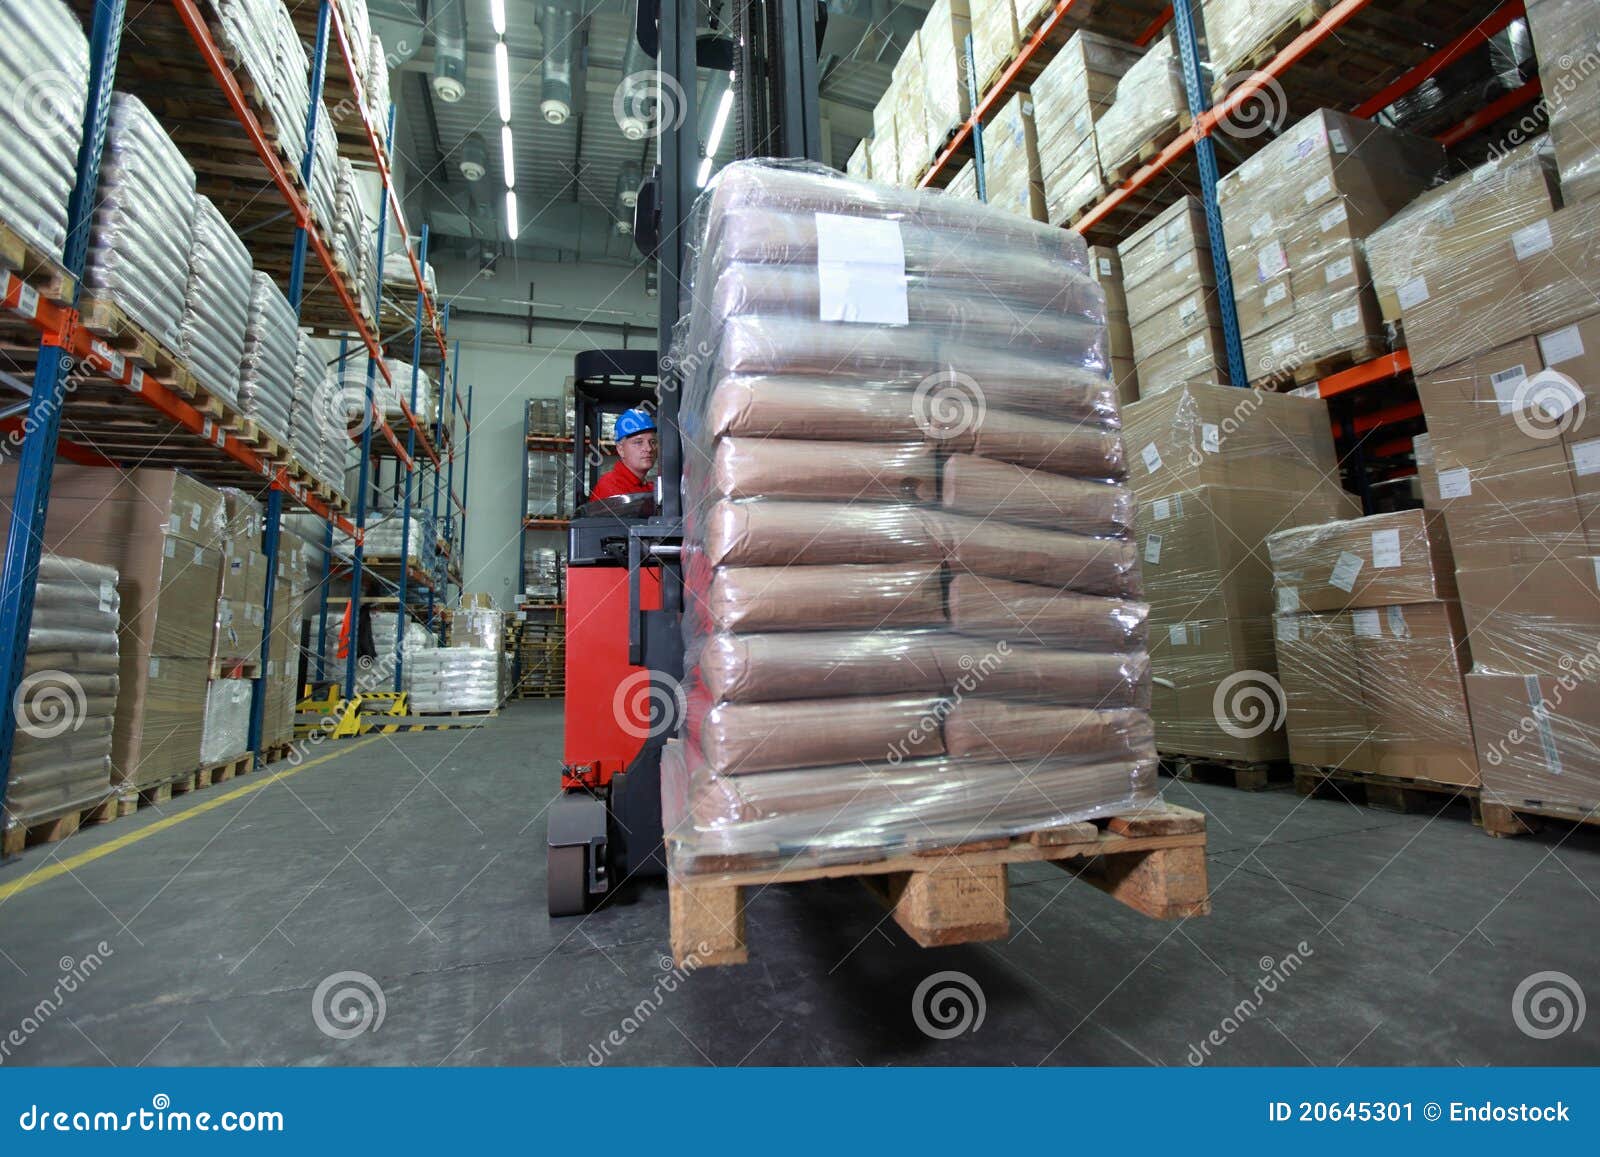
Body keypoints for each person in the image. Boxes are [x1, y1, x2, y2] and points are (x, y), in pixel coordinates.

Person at [588, 407, 658, 501]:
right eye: (638, 442)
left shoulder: (649, 488)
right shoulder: (610, 488)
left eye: (652, 442)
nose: (649, 449)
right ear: (621, 449)